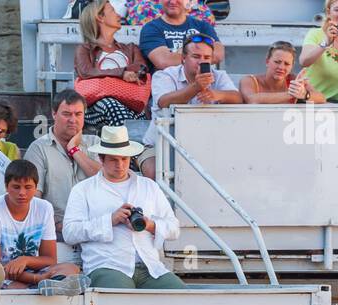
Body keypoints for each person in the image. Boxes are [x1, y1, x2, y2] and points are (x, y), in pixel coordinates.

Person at [62, 124, 184, 289]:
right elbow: (70, 233)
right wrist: (109, 220)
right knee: (120, 298)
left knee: (181, 296)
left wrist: (150, 225)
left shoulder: (149, 186)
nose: (120, 165)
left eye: (124, 159)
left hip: (151, 267)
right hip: (107, 265)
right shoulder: (83, 190)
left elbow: (174, 228)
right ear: (101, 158)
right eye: (113, 159)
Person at [0, 158, 87, 301]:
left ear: (36, 187)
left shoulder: (44, 208)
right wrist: (37, 278)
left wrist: (25, 260)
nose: (22, 193)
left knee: (71, 269)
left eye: (28, 187)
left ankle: (51, 284)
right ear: (6, 186)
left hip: (25, 270)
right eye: (16, 187)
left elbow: (50, 259)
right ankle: (44, 284)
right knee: (20, 289)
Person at [139, 34, 240, 180]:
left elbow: (238, 98)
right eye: (196, 56)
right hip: (160, 146)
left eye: (206, 58)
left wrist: (218, 95)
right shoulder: (164, 75)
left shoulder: (219, 76)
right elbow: (164, 102)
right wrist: (196, 87)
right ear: (183, 59)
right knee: (155, 172)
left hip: (205, 146)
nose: (201, 62)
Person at [24, 89, 100, 240]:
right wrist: (57, 226)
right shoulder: (38, 148)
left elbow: (106, 179)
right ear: (54, 114)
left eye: (78, 114)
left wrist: (74, 150)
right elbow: (33, 200)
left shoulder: (95, 144)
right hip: (55, 231)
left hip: (95, 228)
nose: (73, 120)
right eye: (66, 114)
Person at [74, 0, 149, 135]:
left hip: (130, 102)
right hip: (97, 107)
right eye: (113, 11)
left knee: (137, 114)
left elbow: (141, 68)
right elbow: (86, 72)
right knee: (112, 106)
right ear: (100, 17)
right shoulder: (85, 49)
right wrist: (122, 73)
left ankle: (127, 152)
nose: (119, 15)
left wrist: (122, 75)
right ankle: (126, 154)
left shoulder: (131, 48)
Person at [139, 0, 221, 70]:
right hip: (168, 83)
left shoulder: (202, 26)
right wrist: (203, 55)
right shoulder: (151, 28)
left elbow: (218, 54)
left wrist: (181, 54)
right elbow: (164, 61)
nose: (173, 2)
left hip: (202, 78)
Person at [239, 42, 326, 104]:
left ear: (292, 66)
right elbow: (252, 99)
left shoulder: (294, 80)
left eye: (287, 64)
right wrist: (292, 94)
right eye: (277, 62)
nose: (281, 67)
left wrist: (304, 94)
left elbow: (321, 98)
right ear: (267, 61)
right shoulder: (249, 80)